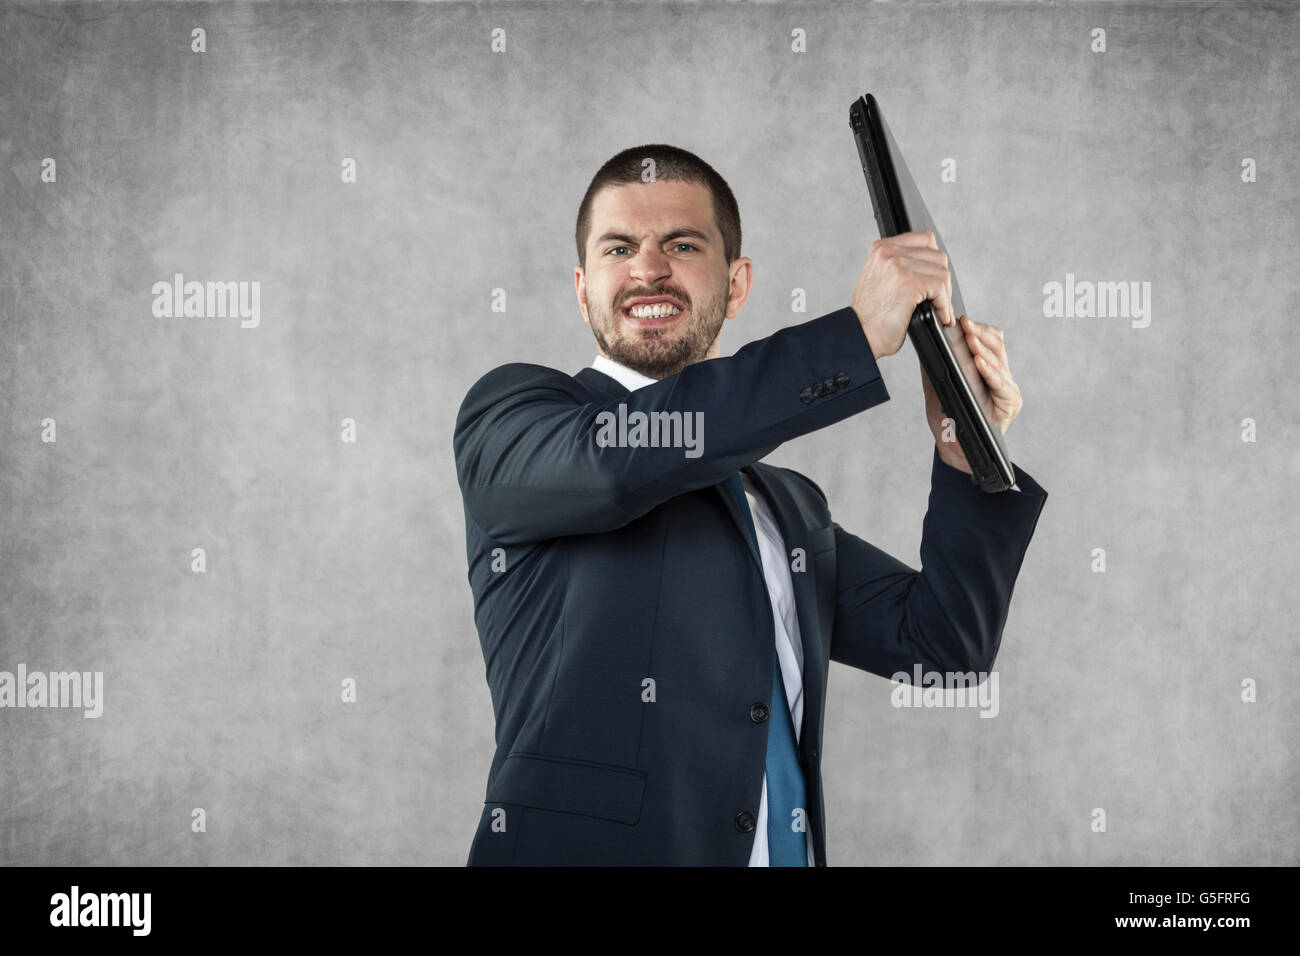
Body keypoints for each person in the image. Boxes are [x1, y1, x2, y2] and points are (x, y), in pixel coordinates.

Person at [453, 144, 1048, 865]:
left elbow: (943, 649)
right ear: (583, 289)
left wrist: (965, 448)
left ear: (736, 286)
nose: (648, 269)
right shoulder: (516, 419)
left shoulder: (786, 506)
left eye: (682, 245)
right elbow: (615, 467)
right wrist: (853, 336)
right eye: (619, 248)